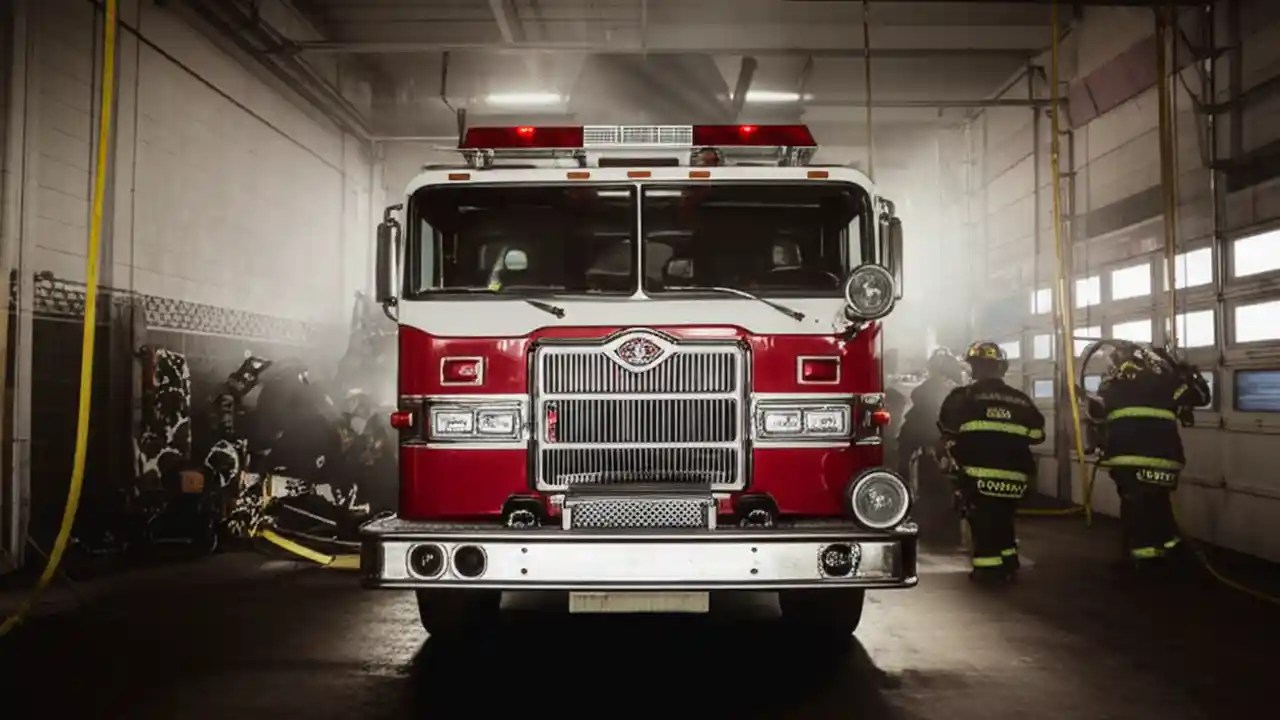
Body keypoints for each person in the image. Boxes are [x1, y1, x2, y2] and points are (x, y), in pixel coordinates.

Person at [1086, 343, 1209, 574]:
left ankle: (1145, 557)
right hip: (1166, 459)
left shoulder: (1111, 386)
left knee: (1135, 504)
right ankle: (1168, 547)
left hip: (1127, 460)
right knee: (1156, 501)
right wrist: (1188, 374)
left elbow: (1097, 417)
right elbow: (1201, 397)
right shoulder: (1167, 383)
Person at [938, 341, 1046, 583]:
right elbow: (1038, 436)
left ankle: (988, 569)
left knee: (983, 521)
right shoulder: (1021, 400)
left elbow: (947, 430)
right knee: (1004, 517)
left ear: (974, 368)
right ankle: (1009, 561)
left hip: (978, 474)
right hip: (1016, 474)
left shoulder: (963, 397)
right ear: (1001, 368)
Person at [897, 348, 965, 477]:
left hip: (936, 432)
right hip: (933, 431)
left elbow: (917, 395)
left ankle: (904, 481)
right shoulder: (954, 387)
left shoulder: (941, 386)